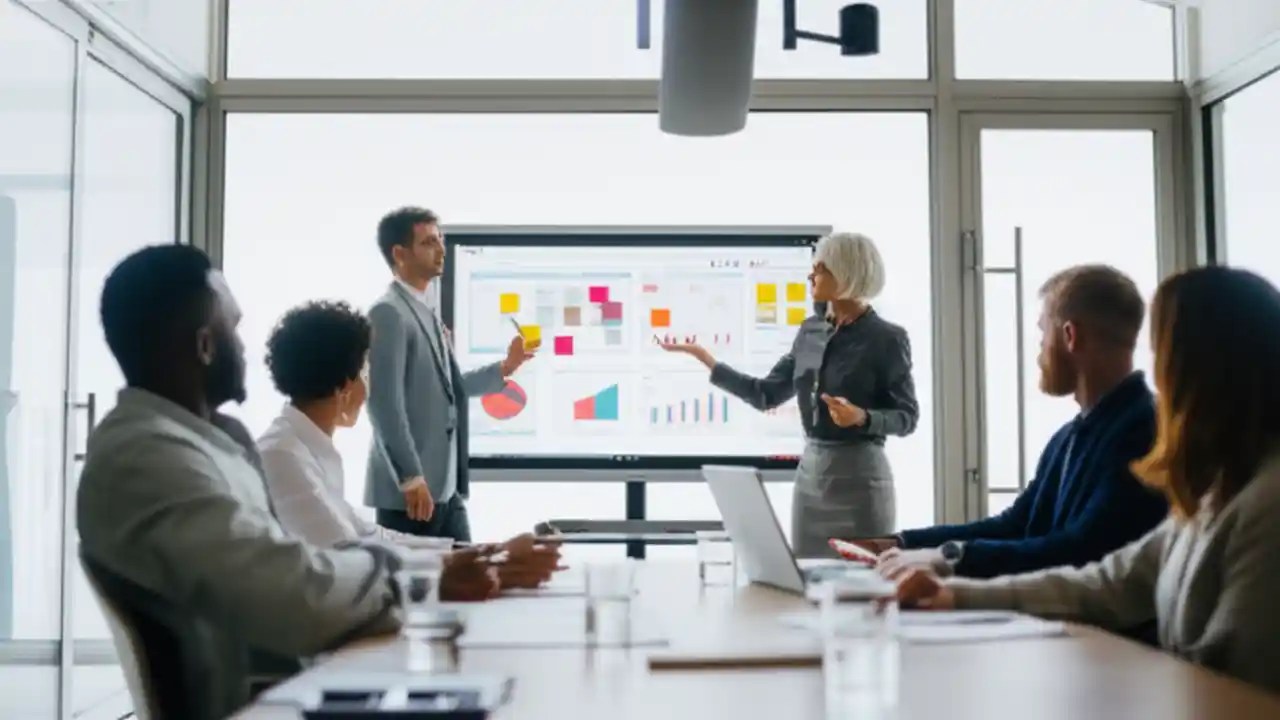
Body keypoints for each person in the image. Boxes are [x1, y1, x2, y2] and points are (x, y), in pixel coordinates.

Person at [896, 266, 1280, 695]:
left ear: (1205, 372)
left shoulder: (1265, 503)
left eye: (1165, 357)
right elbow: (1107, 583)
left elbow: (1237, 682)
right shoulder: (1215, 496)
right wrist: (954, 595)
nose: (1161, 383)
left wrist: (948, 566)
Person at [78, 246, 410, 718]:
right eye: (233, 328)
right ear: (205, 346)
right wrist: (398, 576)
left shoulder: (204, 442)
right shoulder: (148, 460)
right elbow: (298, 599)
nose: (244, 347)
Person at [853, 265, 1168, 580]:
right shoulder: (1073, 435)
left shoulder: (1143, 432)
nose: (1040, 351)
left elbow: (1080, 551)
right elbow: (1017, 526)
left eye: (1044, 331)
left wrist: (946, 559)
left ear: (1070, 335)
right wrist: (901, 544)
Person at [258, 300, 559, 589]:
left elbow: (372, 536)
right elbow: (349, 558)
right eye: (365, 372)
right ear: (345, 387)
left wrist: (485, 551)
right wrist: (492, 562)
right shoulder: (282, 456)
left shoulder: (303, 445)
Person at [663, 232, 918, 557]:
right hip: (810, 477)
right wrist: (706, 359)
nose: (811, 275)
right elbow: (765, 394)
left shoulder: (888, 339)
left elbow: (907, 417)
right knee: (806, 583)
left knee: (859, 585)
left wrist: (863, 417)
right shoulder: (810, 331)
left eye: (820, 269)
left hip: (861, 481)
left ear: (846, 272)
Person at [365, 207, 534, 542]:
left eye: (440, 240)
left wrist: (505, 368)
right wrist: (411, 477)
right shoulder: (388, 314)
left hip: (445, 491)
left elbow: (451, 387)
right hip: (412, 497)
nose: (442, 250)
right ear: (400, 254)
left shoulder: (425, 312)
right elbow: (384, 403)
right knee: (418, 592)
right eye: (429, 242)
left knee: (468, 582)